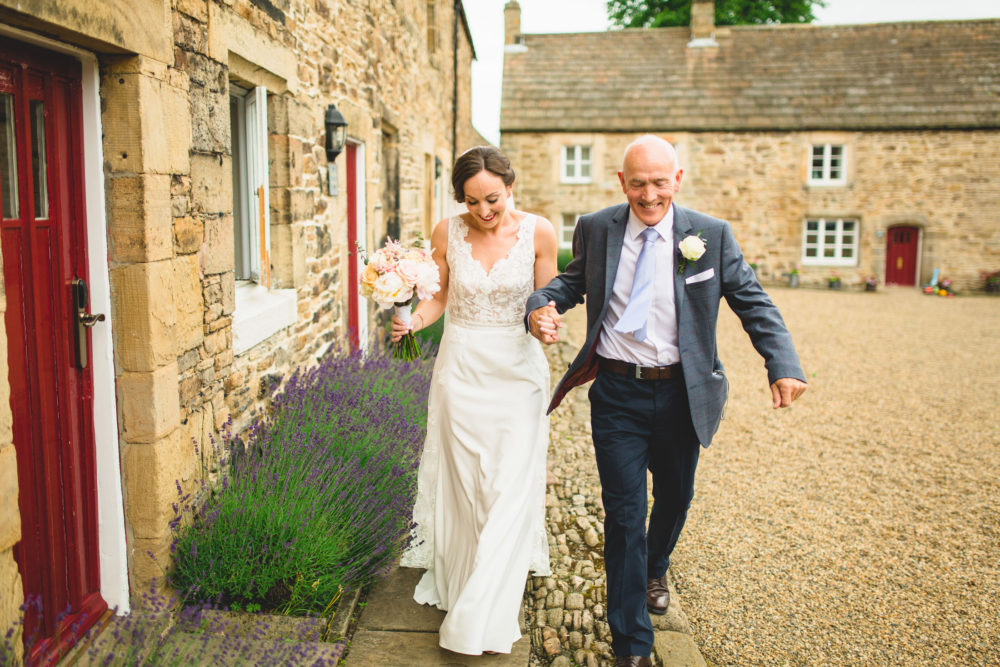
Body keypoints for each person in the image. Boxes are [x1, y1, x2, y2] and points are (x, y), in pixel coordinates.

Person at [525, 135, 807, 667]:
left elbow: (753, 301)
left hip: (684, 394)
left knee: (676, 497)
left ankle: (658, 565)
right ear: (622, 183)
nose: (649, 195)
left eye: (659, 182)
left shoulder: (711, 236)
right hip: (617, 393)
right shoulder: (596, 227)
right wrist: (540, 306)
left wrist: (783, 364)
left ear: (676, 180)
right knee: (625, 516)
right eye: (638, 183)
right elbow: (569, 283)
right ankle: (632, 643)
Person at [395, 146, 558, 655]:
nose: (483, 211)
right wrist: (413, 320)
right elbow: (438, 294)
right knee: (468, 486)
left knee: (509, 485)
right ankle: (466, 577)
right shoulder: (447, 232)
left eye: (492, 199)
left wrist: (545, 321)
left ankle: (486, 606)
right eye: (471, 201)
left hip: (518, 371)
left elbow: (547, 297)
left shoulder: (540, 232)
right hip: (461, 368)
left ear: (510, 188)